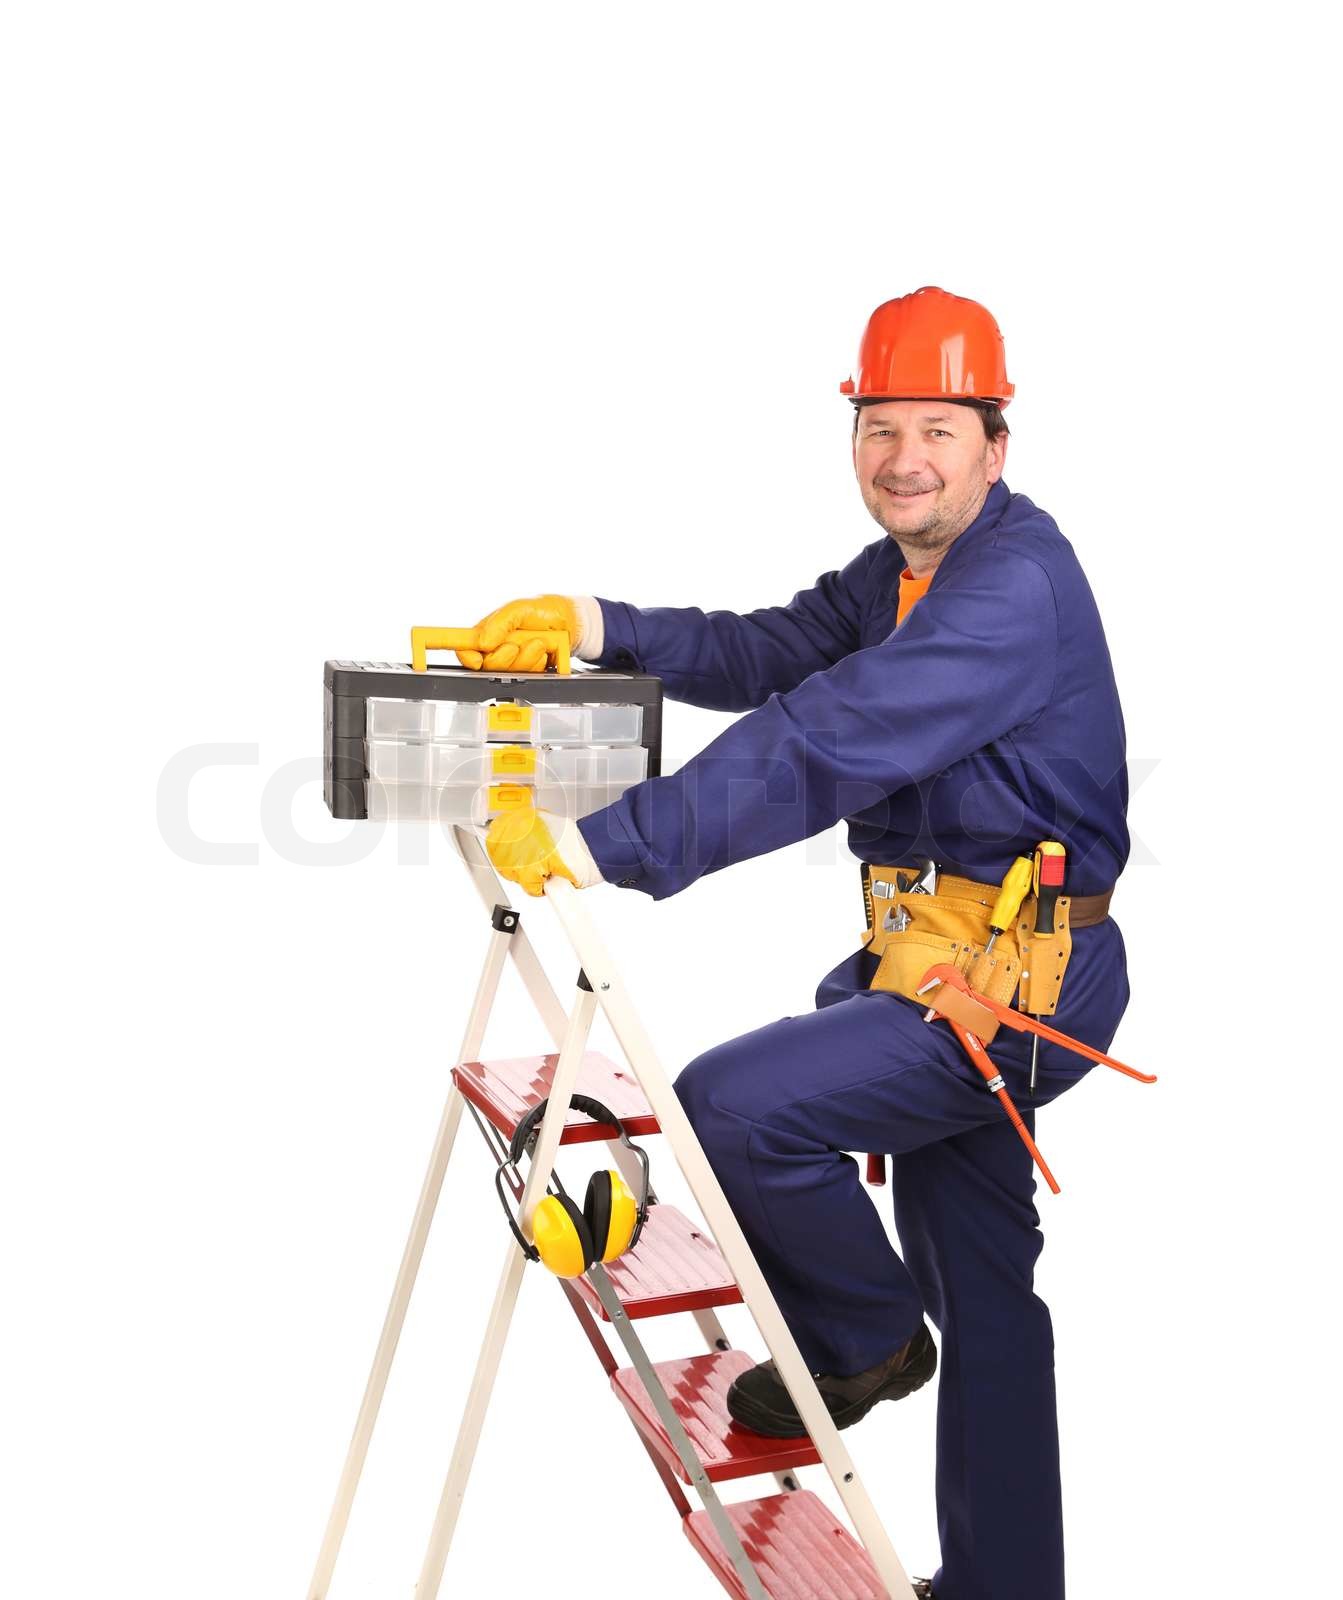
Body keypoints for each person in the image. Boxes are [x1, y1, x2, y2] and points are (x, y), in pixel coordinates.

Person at [470, 286, 1130, 1600]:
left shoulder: (1009, 592)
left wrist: (609, 843)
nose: (902, 458)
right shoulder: (902, 574)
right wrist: (599, 629)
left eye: (936, 427)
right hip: (940, 971)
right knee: (989, 1302)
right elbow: (773, 650)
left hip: (1020, 990)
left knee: (733, 1106)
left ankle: (866, 1340)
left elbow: (828, 737)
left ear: (995, 445)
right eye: (880, 426)